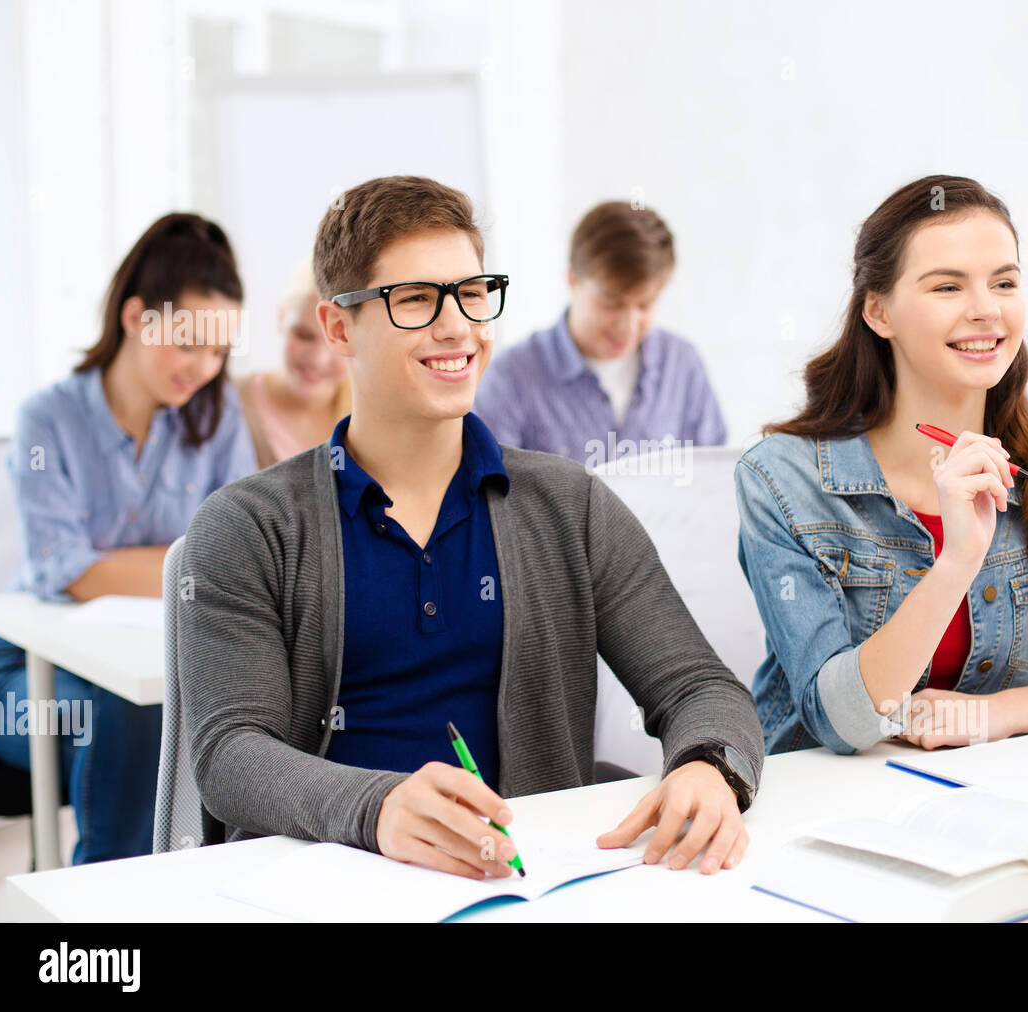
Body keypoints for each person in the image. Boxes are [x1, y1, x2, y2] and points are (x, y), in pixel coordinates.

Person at [177, 176, 762, 881]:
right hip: (329, 879)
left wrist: (708, 767)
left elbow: (700, 686)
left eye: (473, 293)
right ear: (338, 328)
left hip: (530, 880)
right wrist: (378, 807)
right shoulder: (247, 528)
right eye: (416, 300)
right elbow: (231, 754)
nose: (458, 327)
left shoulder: (570, 505)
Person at [735, 175, 1028, 755]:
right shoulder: (782, 481)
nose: (986, 310)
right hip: (817, 799)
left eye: (1004, 282)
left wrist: (995, 714)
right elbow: (841, 722)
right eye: (947, 287)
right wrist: (957, 561)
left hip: (979, 802)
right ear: (879, 312)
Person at [0, 212, 256, 863]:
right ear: (137, 317)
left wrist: (121, 565)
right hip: (29, 676)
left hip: (158, 662)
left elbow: (241, 554)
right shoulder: (46, 418)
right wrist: (186, 563)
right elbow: (66, 568)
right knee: (130, 712)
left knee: (192, 708)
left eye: (219, 350)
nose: (203, 366)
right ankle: (104, 903)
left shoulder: (216, 420)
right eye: (189, 342)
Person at [473, 201, 727, 466]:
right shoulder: (510, 378)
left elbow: (710, 480)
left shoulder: (682, 365)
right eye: (612, 304)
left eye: (645, 305)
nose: (628, 326)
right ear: (573, 280)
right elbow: (495, 496)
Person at [236, 258, 351, 469]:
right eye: (303, 335)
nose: (318, 359)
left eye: (335, 342)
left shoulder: (368, 421)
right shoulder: (231, 401)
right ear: (281, 318)